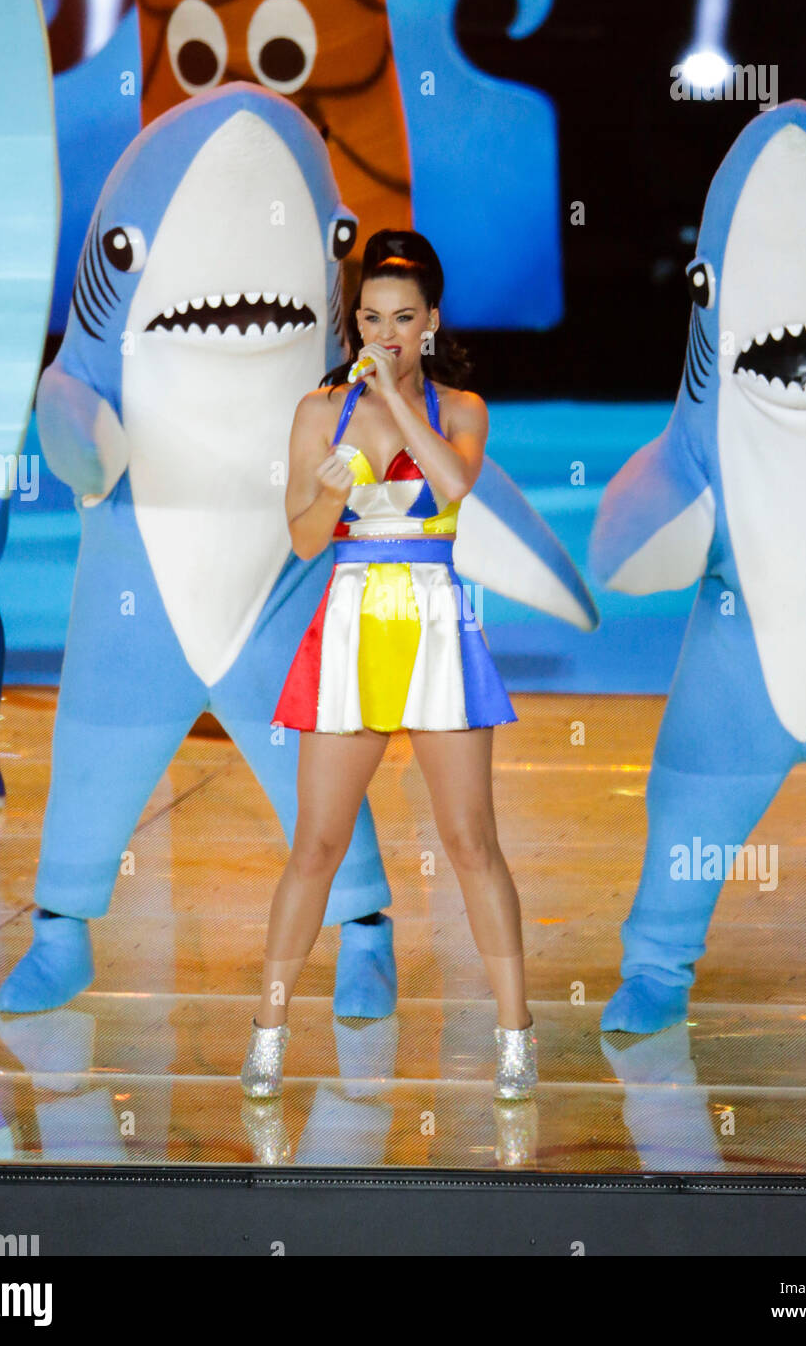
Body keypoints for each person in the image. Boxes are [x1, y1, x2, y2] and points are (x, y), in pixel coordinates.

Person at [240, 230, 536, 1101]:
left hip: (436, 624)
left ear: (431, 322)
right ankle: (268, 1029)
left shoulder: (465, 408)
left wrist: (395, 403)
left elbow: (450, 487)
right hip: (352, 623)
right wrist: (332, 484)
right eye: (370, 317)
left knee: (471, 840)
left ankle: (514, 1033)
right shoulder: (313, 411)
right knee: (317, 845)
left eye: (403, 319)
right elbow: (301, 540)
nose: (385, 333)